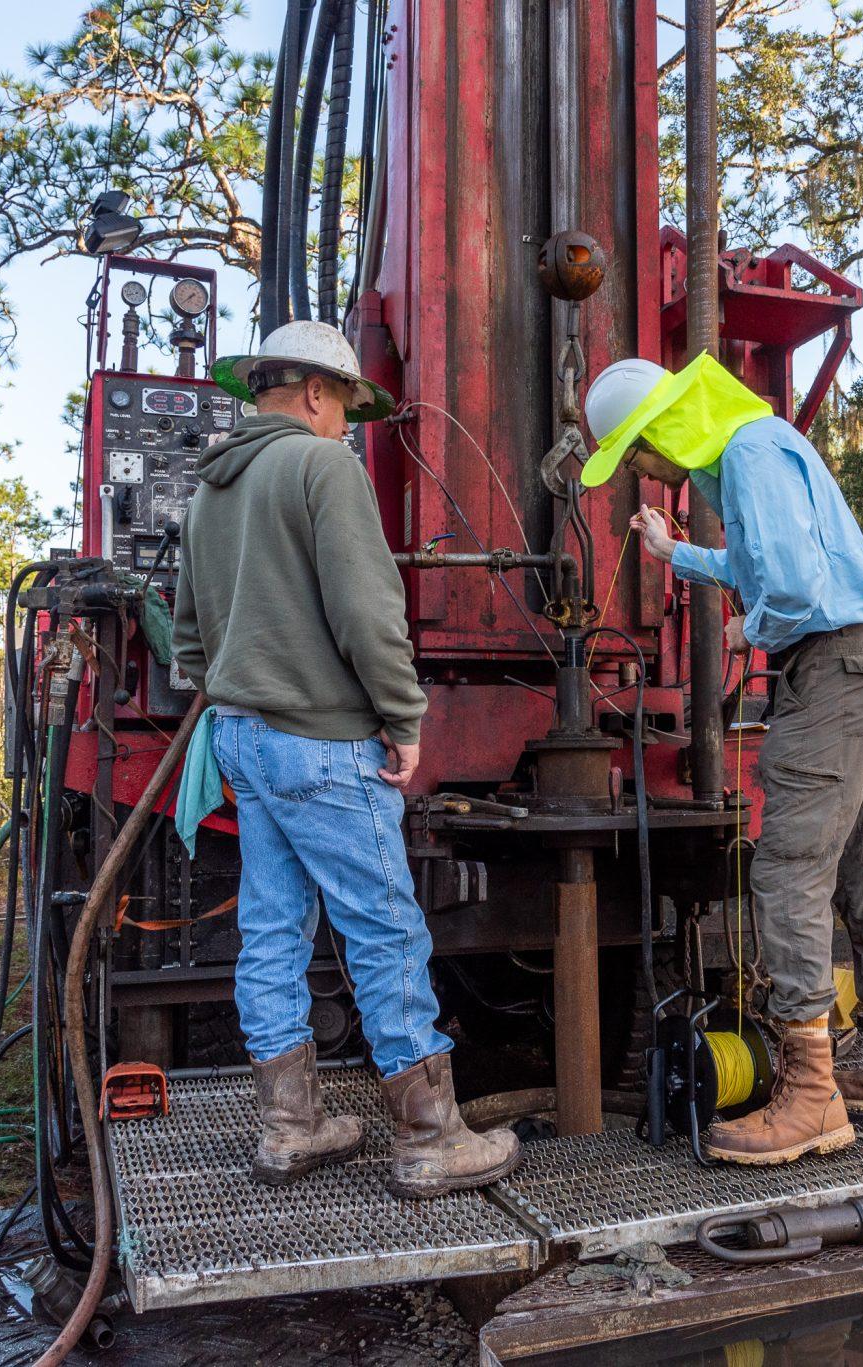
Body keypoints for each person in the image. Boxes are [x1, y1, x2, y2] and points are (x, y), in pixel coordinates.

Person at [171, 320, 521, 1198]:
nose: (348, 428)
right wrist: (405, 713)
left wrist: (239, 684)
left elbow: (185, 636)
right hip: (323, 740)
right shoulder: (323, 467)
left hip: (241, 736)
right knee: (383, 928)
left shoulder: (212, 491)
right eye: (347, 410)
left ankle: (291, 1125)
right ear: (318, 393)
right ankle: (429, 1132)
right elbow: (369, 613)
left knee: (271, 930)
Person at [579, 351, 863, 1165]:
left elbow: (795, 589)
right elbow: (762, 567)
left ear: (660, 432)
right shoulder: (753, 449)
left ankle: (811, 1095)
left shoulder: (747, 455)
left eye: (638, 455)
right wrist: (676, 555)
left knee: (786, 872)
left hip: (834, 667)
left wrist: (755, 627)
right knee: (860, 871)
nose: (642, 471)